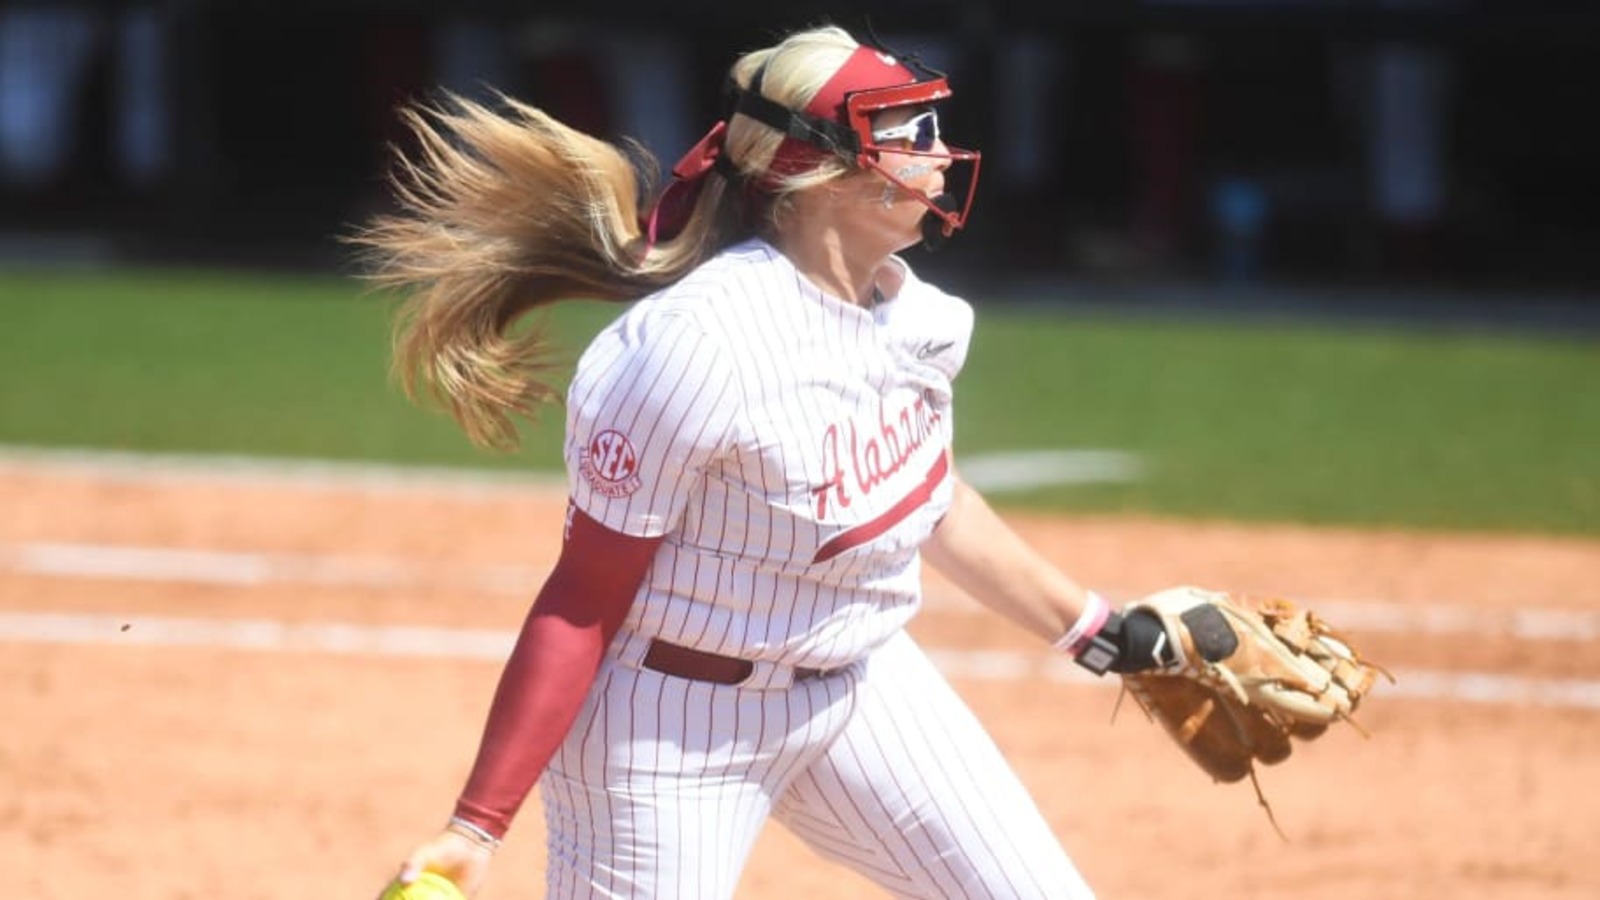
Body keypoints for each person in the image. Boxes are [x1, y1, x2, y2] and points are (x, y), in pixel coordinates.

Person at [353, 23, 1176, 900]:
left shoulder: (918, 317)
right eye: (905, 132)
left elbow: (932, 499)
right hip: (669, 729)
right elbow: (583, 600)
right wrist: (476, 825)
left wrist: (1103, 636)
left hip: (863, 689)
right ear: (813, 171)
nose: (937, 154)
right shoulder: (695, 350)